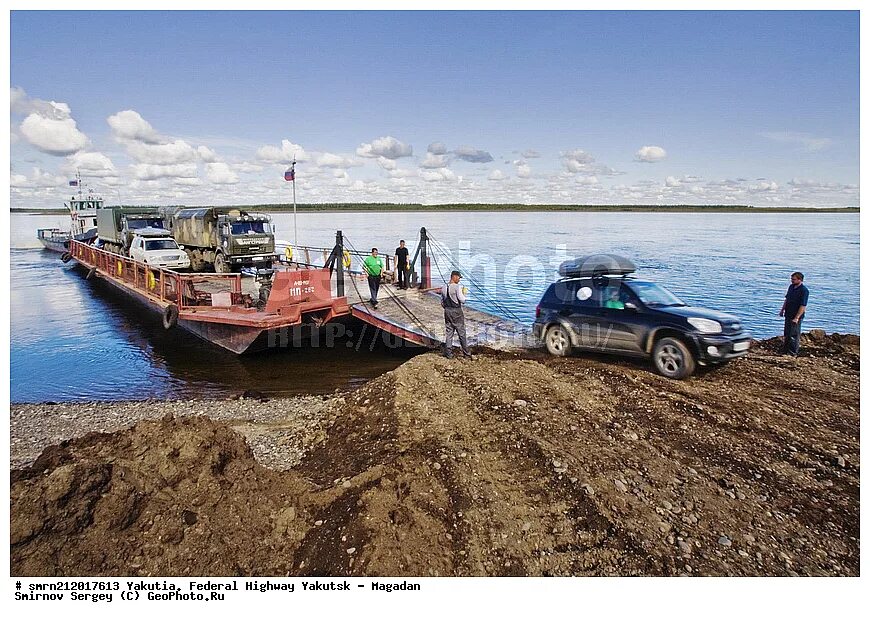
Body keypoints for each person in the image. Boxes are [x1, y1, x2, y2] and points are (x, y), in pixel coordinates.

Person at [441, 270, 472, 359]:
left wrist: (448, 309)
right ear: (454, 277)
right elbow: (462, 300)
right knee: (461, 332)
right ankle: (466, 354)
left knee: (449, 332)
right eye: (458, 277)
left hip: (447, 311)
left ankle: (449, 354)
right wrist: (464, 294)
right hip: (456, 311)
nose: (459, 279)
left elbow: (442, 302)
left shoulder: (443, 287)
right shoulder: (457, 287)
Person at [779, 271, 809, 356]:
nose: (792, 281)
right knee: (787, 333)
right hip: (788, 313)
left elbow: (803, 305)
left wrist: (797, 317)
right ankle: (785, 351)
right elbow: (787, 299)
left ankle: (792, 353)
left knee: (794, 334)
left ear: (800, 280)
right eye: (791, 279)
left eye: (794, 279)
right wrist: (782, 310)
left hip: (796, 315)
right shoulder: (791, 287)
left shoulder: (804, 290)